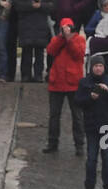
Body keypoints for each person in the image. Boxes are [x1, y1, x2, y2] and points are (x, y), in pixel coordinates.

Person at [76, 53, 108, 189]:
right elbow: (78, 101)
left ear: (104, 67)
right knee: (91, 159)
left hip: (107, 128)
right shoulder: (84, 82)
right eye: (96, 66)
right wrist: (90, 97)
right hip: (91, 127)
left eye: (100, 66)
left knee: (107, 159)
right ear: (91, 67)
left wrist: (107, 90)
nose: (98, 68)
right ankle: (88, 188)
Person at [43, 17, 85, 155]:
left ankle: (79, 145)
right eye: (64, 27)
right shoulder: (57, 40)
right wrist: (62, 38)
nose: (67, 30)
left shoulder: (79, 39)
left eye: (69, 27)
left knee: (77, 116)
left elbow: (78, 54)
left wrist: (69, 39)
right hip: (56, 83)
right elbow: (50, 51)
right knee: (54, 116)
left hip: (73, 83)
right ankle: (52, 142)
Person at [12, 0, 53, 82]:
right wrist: (31, 5)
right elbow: (17, 5)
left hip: (41, 25)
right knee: (26, 51)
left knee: (39, 52)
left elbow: (52, 6)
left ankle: (38, 75)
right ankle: (26, 75)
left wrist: (40, 5)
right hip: (25, 24)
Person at [84, 0, 108, 72]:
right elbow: (87, 29)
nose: (107, 7)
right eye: (105, 6)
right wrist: (99, 29)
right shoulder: (98, 14)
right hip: (100, 43)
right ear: (101, 7)